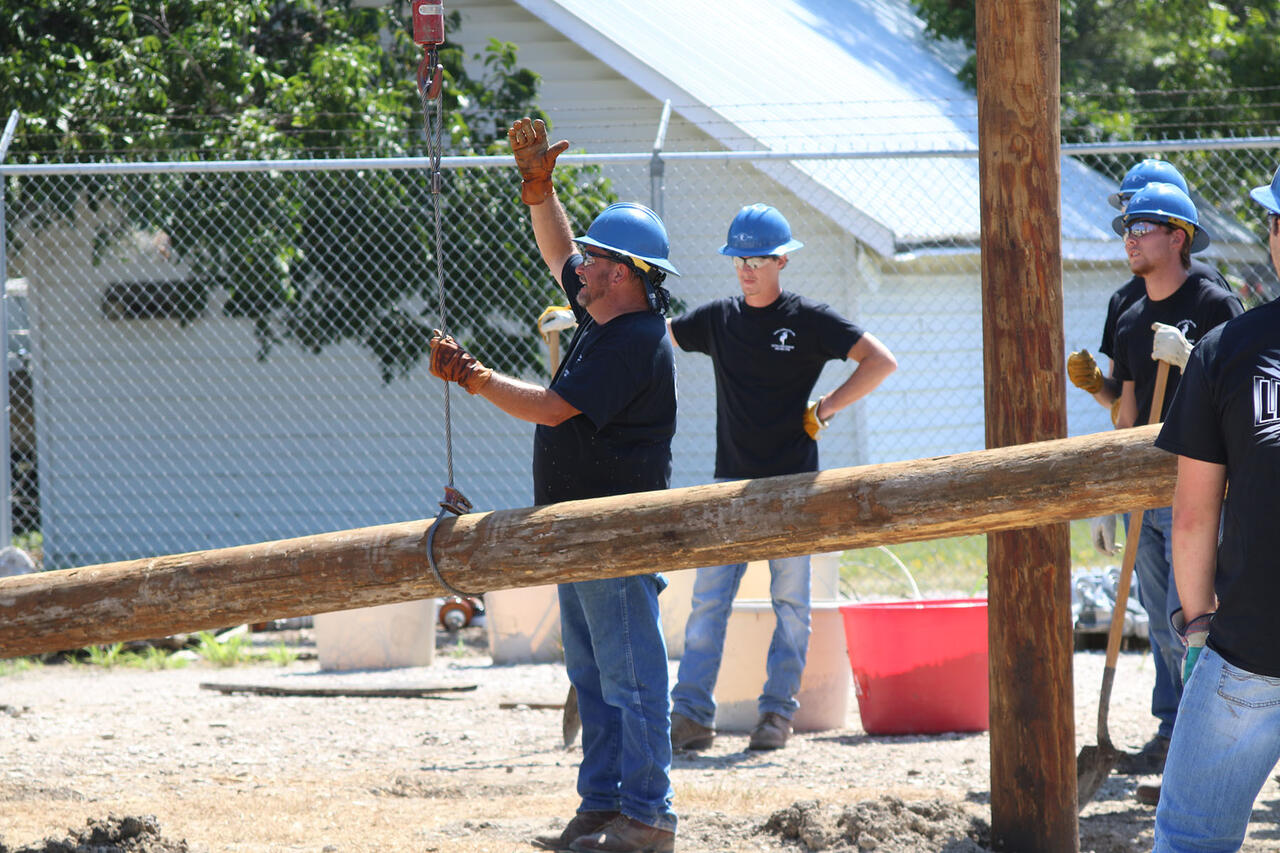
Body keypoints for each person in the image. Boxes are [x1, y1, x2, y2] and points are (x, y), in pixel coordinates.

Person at [429, 115, 678, 853]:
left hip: (612, 529)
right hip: (577, 527)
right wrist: (540, 190)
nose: (583, 268)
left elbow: (549, 406)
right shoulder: (605, 314)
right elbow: (559, 250)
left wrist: (473, 377)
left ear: (625, 274)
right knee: (595, 675)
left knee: (630, 679)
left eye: (599, 261)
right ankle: (602, 805)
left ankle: (649, 815)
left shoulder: (632, 340)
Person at [666, 203, 897, 752]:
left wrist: (828, 407)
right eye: (738, 258)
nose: (746, 268)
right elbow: (656, 338)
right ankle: (692, 716)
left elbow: (880, 361)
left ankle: (776, 716)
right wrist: (596, 317)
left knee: (791, 609)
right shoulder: (718, 319)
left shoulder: (809, 321)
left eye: (757, 259)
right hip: (730, 488)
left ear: (782, 260)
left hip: (794, 488)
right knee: (706, 607)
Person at [1067, 161, 1234, 778]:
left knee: (1205, 614)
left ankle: (1210, 731)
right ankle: (1176, 729)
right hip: (1148, 487)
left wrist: (1193, 358)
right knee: (1164, 615)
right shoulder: (1130, 313)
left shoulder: (1214, 300)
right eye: (1124, 222)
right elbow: (1129, 413)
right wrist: (1115, 492)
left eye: (1142, 221)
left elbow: (1240, 386)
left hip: (1202, 486)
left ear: (1178, 235)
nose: (1129, 233)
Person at [1150, 164, 1280, 851]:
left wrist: (1194, 627)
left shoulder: (1227, 349)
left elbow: (1194, 513)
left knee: (1191, 837)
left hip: (1250, 645)